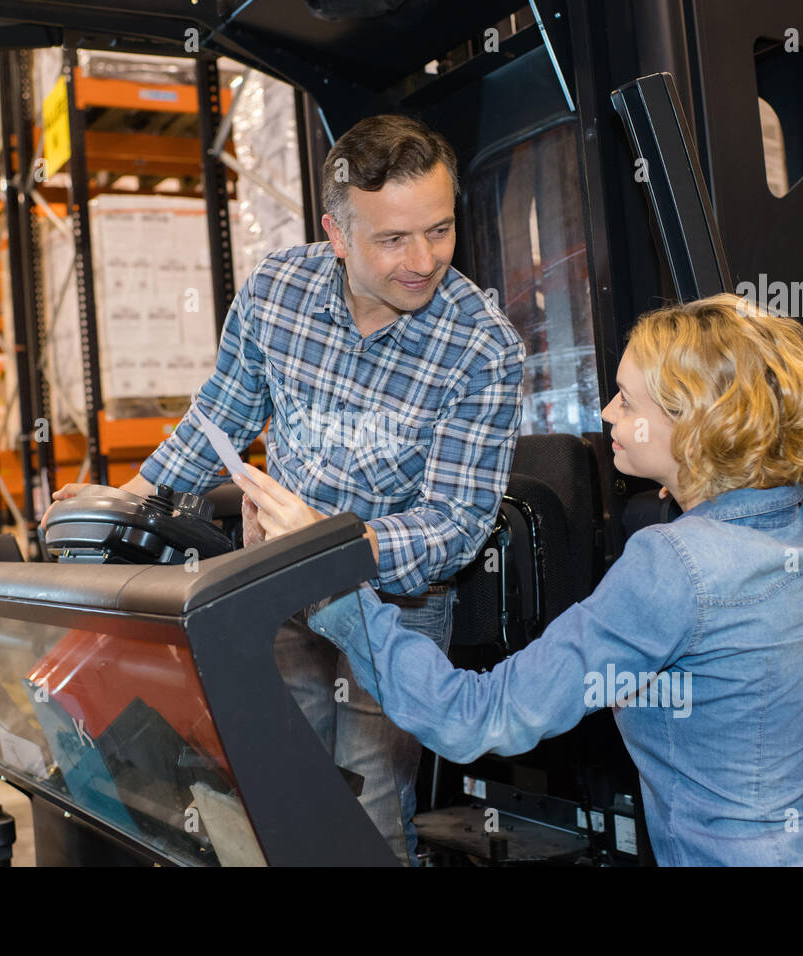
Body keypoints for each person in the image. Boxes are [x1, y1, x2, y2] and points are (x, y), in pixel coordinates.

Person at [235, 292, 803, 866]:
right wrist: (746, 350)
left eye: (628, 400)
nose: (606, 412)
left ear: (695, 424)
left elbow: (475, 717)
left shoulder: (676, 566)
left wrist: (328, 577)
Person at [46, 114, 525, 865]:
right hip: (277, 597)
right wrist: (126, 499)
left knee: (365, 807)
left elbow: (458, 524)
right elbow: (220, 417)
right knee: (275, 786)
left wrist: (326, 545)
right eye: (393, 239)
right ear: (337, 235)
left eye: (439, 229)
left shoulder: (481, 347)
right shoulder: (277, 293)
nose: (424, 260)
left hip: (394, 612)